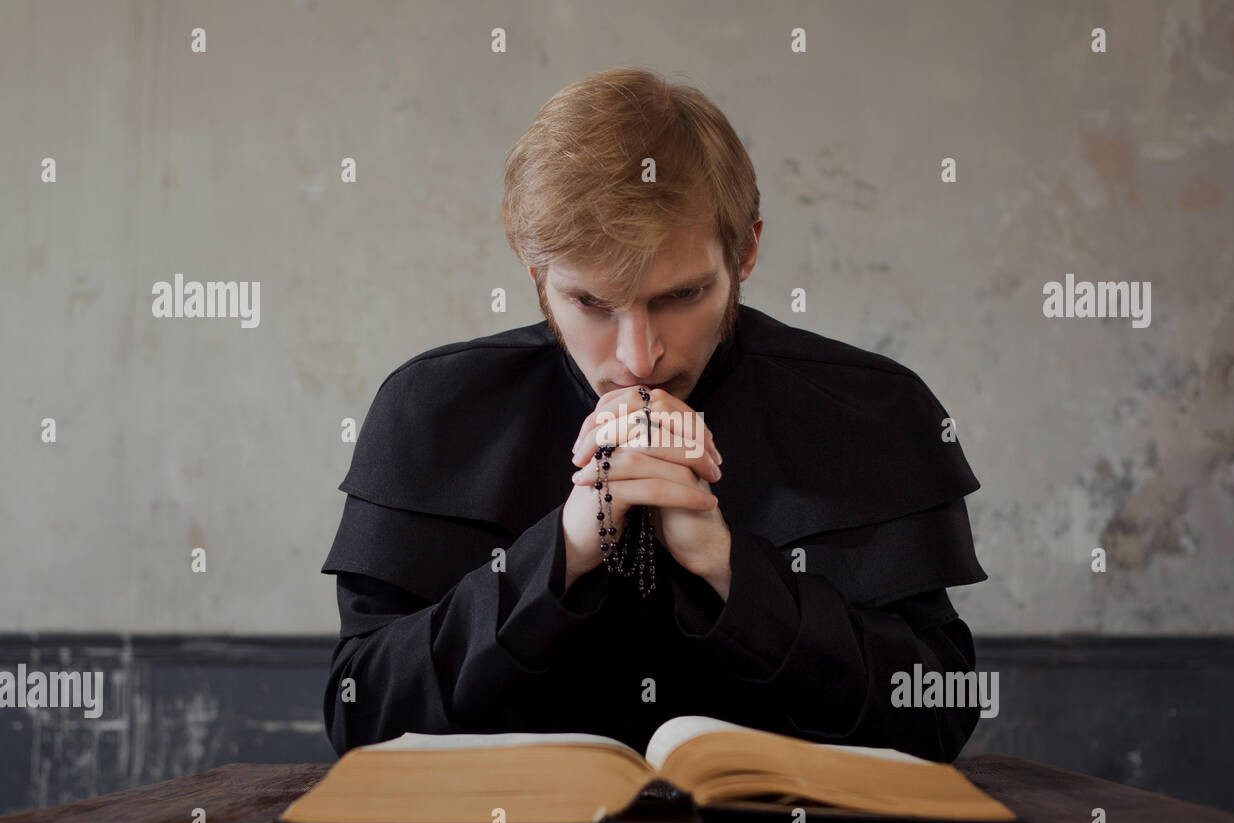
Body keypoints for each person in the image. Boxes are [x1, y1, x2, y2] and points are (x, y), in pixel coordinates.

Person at [320, 67, 988, 762]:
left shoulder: (874, 411)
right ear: (536, 277)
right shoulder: (430, 411)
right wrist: (562, 553)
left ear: (747, 251)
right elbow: (360, 714)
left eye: (682, 294)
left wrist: (734, 572)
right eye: (591, 303)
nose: (640, 357)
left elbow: (938, 712)